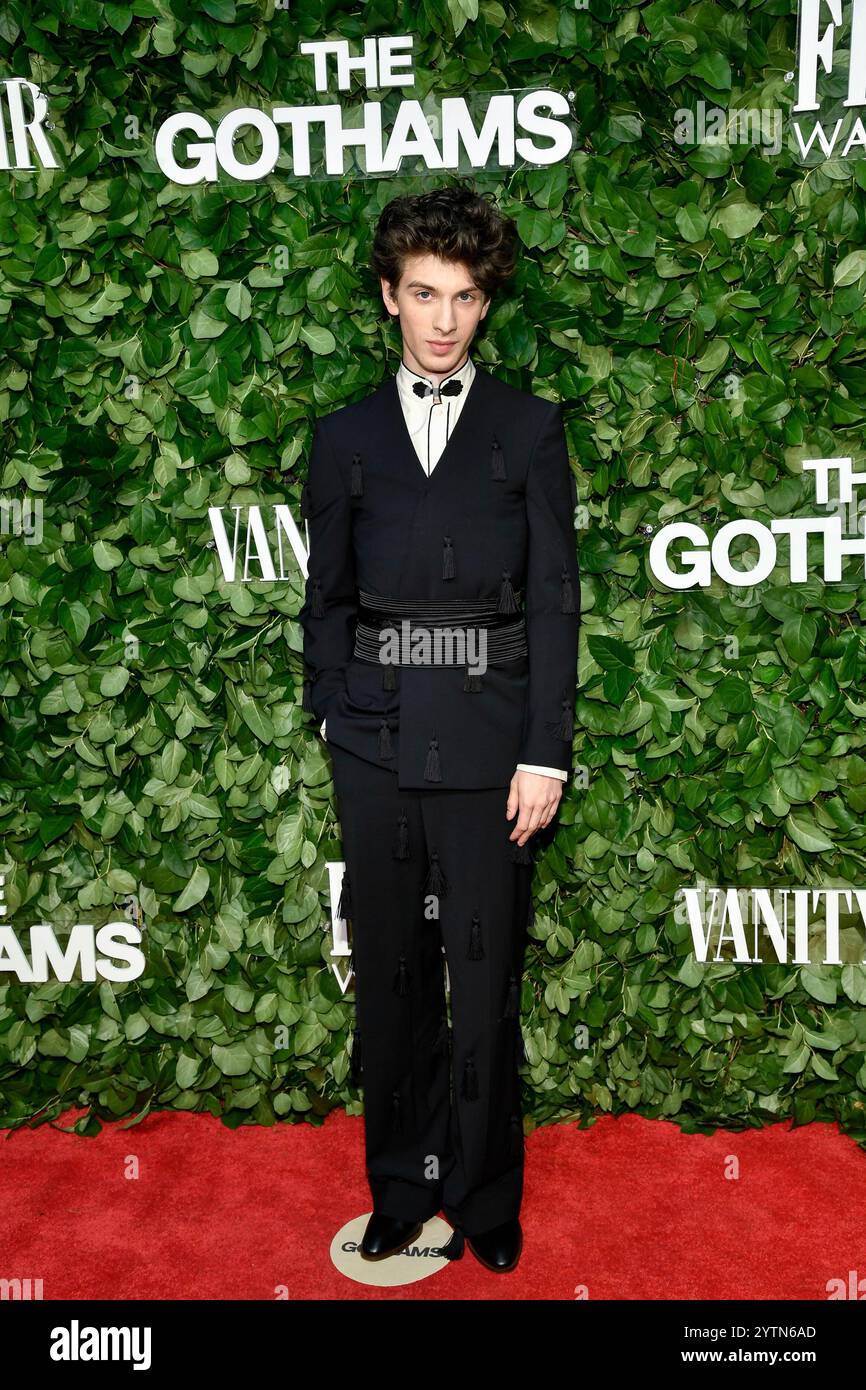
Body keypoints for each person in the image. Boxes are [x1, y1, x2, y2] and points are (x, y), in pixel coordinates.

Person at [299, 184, 580, 1274]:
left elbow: (554, 597)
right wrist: (332, 707)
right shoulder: (342, 438)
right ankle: (400, 1187)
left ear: (483, 307)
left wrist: (544, 748)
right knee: (394, 981)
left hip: (490, 744)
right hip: (371, 740)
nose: (443, 319)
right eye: (423, 294)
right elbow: (324, 597)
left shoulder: (526, 426)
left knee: (482, 980)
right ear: (387, 297)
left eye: (462, 298)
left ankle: (483, 1194)